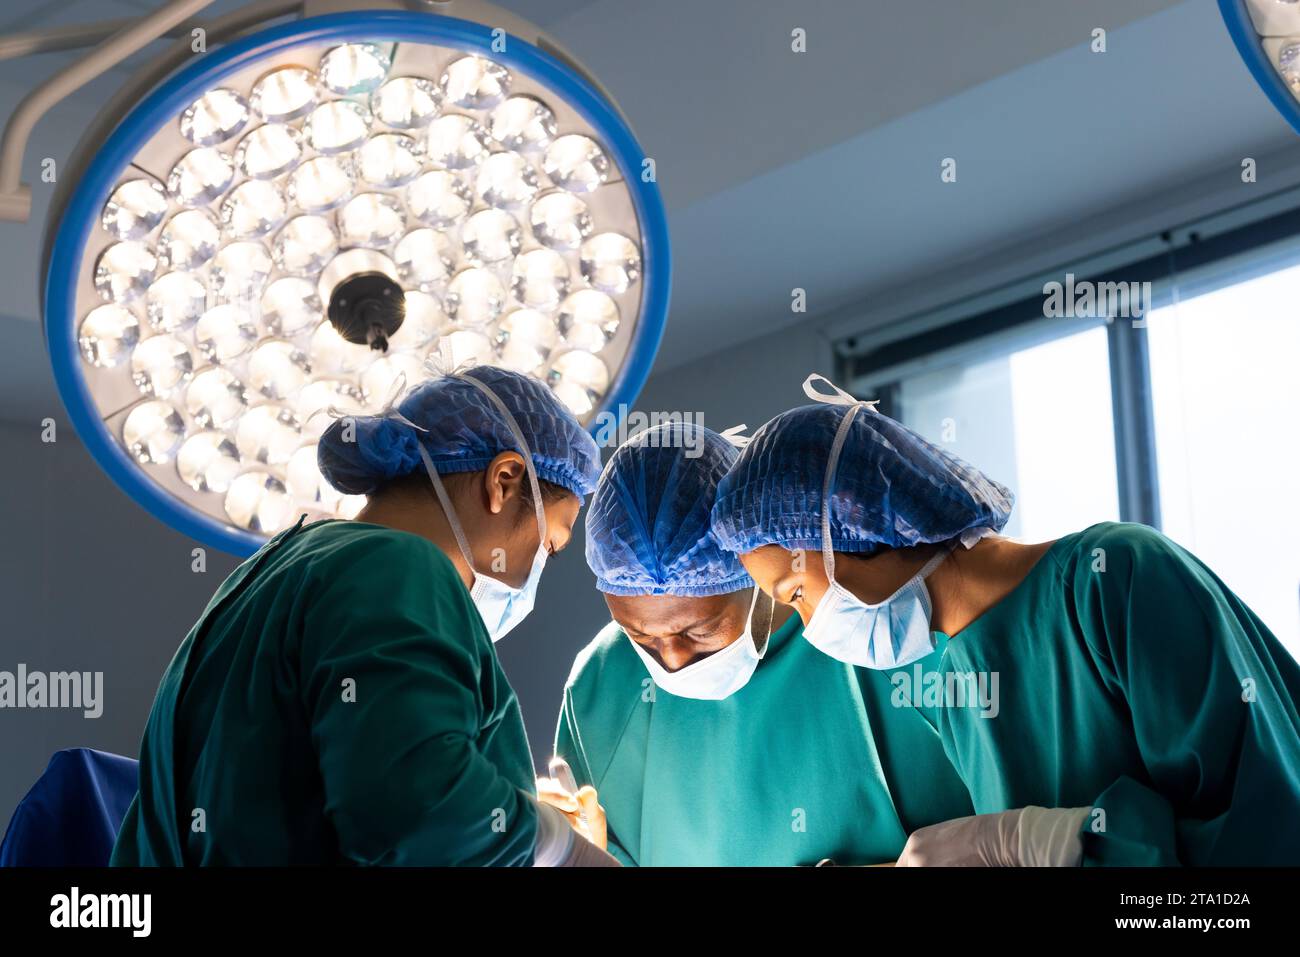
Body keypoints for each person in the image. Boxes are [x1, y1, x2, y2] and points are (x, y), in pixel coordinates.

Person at [711, 374, 1300, 866]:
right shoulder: (953, 689)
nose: (808, 625)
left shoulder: (1114, 578)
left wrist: (1038, 845)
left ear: (853, 532)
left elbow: (1263, 842)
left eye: (794, 593)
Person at [112, 366, 616, 867]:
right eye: (551, 543)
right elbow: (419, 810)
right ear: (504, 481)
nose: (536, 569)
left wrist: (505, 809)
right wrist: (560, 848)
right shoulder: (399, 568)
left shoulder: (270, 570)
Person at [545, 422, 974, 866]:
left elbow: (1022, 835)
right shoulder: (601, 684)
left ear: (756, 570)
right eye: (640, 637)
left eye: (698, 632)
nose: (671, 661)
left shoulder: (881, 631)